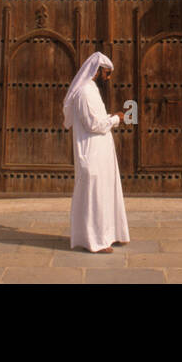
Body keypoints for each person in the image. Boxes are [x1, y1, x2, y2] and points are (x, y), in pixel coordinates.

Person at [62, 51, 131, 253]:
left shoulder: (91, 89)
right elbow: (93, 124)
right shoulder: (84, 92)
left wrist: (112, 118)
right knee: (94, 197)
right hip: (91, 154)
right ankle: (95, 241)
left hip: (101, 153)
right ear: (98, 70)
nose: (108, 78)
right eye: (107, 73)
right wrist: (117, 118)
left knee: (106, 194)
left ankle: (111, 234)